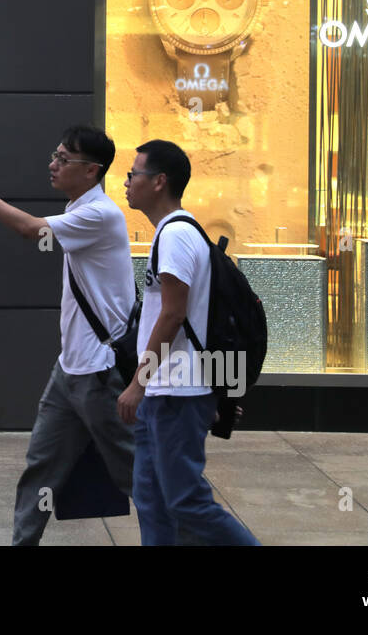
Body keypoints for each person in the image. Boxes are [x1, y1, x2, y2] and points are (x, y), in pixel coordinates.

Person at [0, 124, 137, 546]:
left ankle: (184, 533)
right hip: (70, 371)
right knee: (41, 467)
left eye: (63, 159)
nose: (52, 165)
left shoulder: (100, 214)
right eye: (54, 155)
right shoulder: (78, 211)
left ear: (91, 171)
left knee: (136, 472)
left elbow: (33, 231)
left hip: (100, 375)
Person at [117, 139, 260, 545]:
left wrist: (136, 383)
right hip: (166, 390)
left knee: (185, 501)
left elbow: (173, 314)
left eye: (133, 174)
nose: (127, 182)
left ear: (160, 181)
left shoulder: (177, 235)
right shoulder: (175, 231)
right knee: (151, 499)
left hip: (178, 389)